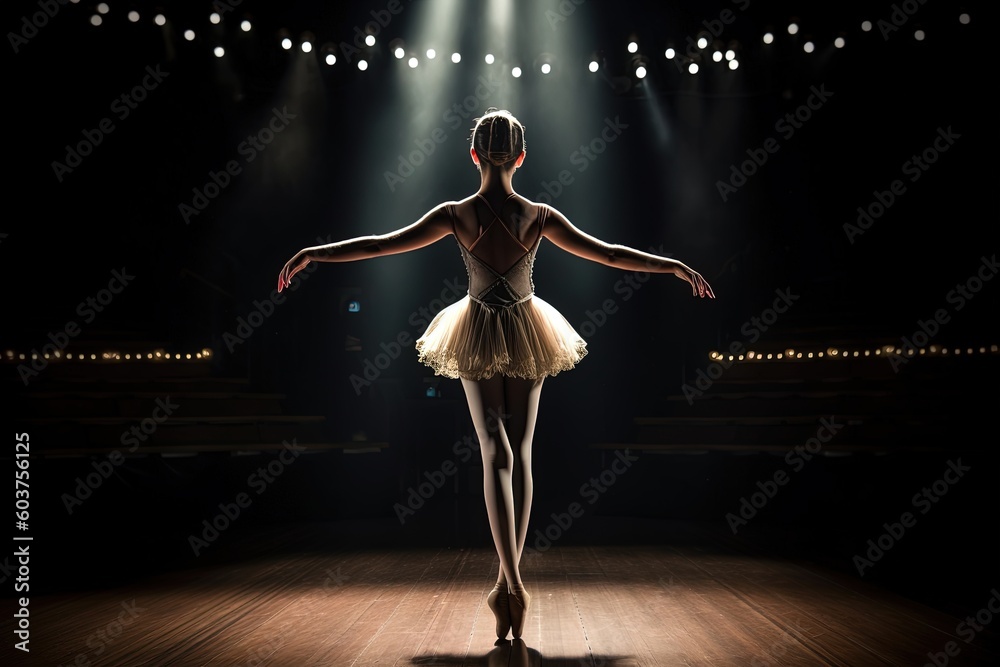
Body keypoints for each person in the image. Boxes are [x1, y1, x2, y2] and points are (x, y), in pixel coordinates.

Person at [277, 107, 715, 641]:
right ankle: (513, 581)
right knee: (522, 449)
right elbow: (610, 255)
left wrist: (313, 253)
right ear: (522, 157)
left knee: (493, 447)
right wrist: (671, 265)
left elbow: (381, 243)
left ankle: (508, 583)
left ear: (474, 154)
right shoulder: (540, 216)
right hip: (529, 322)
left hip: (480, 324)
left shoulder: (457, 214)